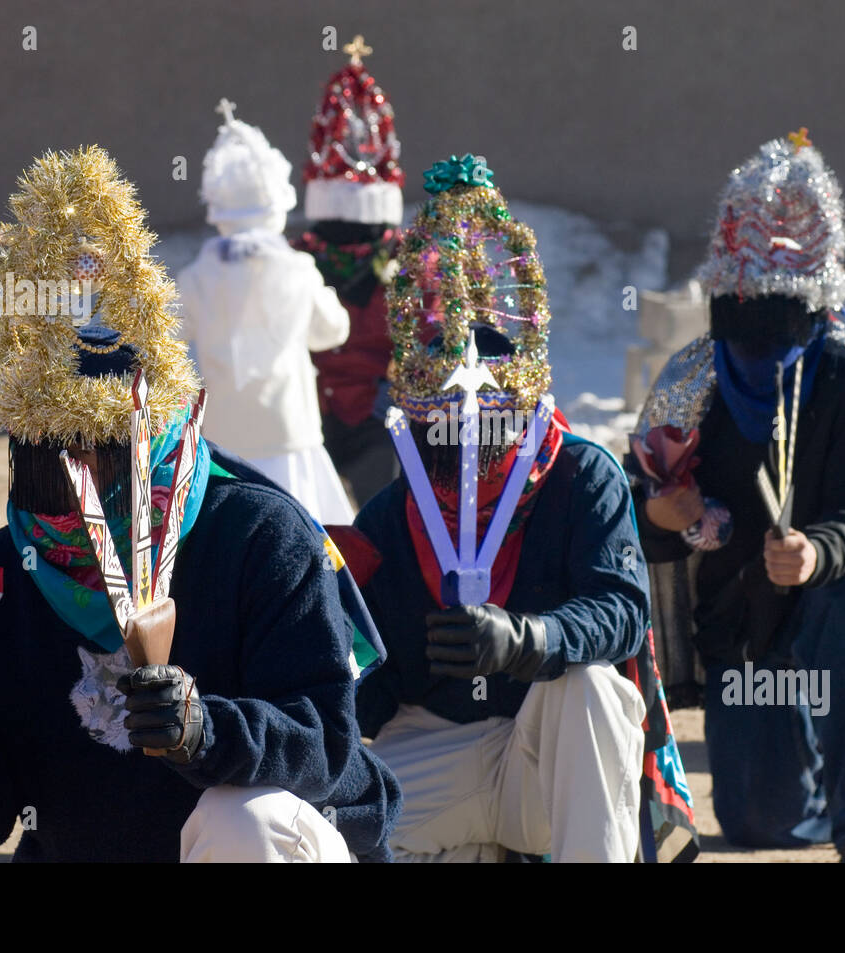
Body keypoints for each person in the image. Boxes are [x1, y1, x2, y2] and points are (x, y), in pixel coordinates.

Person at [0, 148, 400, 862]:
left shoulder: (256, 534)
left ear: (144, 433)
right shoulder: (3, 571)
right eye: (47, 446)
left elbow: (326, 743)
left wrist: (205, 730)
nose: (75, 469)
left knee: (240, 817)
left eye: (98, 444)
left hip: (258, 846)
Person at [351, 154, 649, 862]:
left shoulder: (582, 474)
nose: (456, 445)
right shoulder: (390, 517)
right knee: (316, 819)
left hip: (540, 755)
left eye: (480, 424)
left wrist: (528, 640)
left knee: (593, 688)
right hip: (432, 746)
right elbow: (370, 689)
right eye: (437, 426)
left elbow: (623, 609)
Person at [634, 134, 845, 862]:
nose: (756, 349)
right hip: (741, 618)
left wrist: (818, 552)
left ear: (811, 309)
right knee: (761, 821)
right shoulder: (691, 382)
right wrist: (659, 517)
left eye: (774, 319)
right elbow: (639, 498)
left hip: (828, 599)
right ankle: (819, 780)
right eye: (739, 317)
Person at [177, 100, 354, 523]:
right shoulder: (298, 269)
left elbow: (169, 333)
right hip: (289, 430)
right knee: (303, 533)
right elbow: (332, 332)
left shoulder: (198, 275)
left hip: (224, 434)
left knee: (232, 531)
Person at [295, 35, 404, 507]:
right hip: (305, 418)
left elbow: (430, 338)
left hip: (377, 422)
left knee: (379, 528)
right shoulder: (293, 261)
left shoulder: (409, 265)